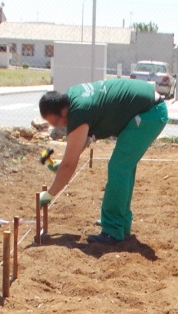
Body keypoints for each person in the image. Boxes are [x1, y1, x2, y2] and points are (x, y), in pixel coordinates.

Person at [38, 79, 168, 244]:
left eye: (56, 122)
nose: (58, 127)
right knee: (124, 168)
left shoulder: (79, 111)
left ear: (63, 111)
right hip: (146, 109)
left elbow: (70, 165)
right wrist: (61, 164)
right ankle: (119, 223)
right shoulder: (73, 98)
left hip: (149, 113)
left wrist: (49, 194)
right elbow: (78, 146)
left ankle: (113, 230)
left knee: (119, 167)